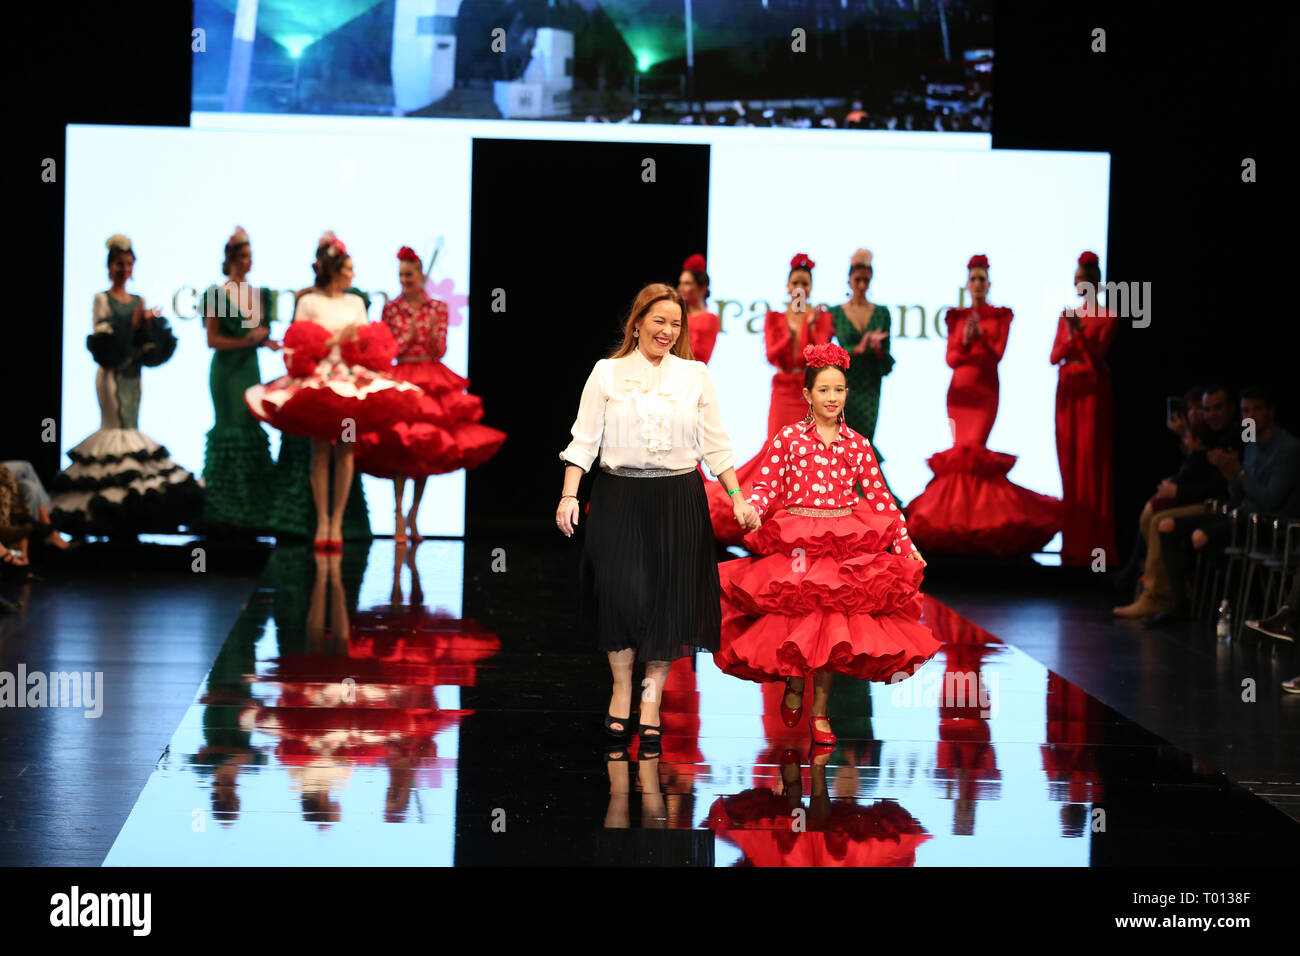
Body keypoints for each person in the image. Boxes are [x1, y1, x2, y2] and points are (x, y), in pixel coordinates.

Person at [555, 283, 756, 756]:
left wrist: (737, 497)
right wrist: (568, 495)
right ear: (639, 321)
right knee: (622, 595)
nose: (667, 331)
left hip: (677, 496)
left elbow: (716, 446)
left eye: (676, 324)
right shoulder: (606, 373)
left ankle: (651, 701)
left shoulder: (695, 375)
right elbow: (583, 441)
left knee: (668, 601)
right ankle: (622, 689)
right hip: (618, 495)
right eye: (659, 320)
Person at [714, 343, 939, 746]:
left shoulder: (858, 445)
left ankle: (820, 712)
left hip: (842, 545)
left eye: (839, 390)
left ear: (847, 393)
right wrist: (752, 509)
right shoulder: (789, 439)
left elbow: (883, 501)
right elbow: (765, 486)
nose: (832, 398)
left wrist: (905, 548)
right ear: (807, 395)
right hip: (797, 540)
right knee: (801, 621)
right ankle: (794, 683)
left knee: (833, 630)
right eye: (823, 390)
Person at [245, 234, 427, 550]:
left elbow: (371, 347)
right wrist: (335, 339)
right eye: (349, 268)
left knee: (345, 449)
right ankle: (323, 523)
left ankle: (338, 522)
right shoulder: (308, 302)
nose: (353, 274)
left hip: (350, 382)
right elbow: (296, 348)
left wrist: (356, 340)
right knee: (321, 451)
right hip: (320, 380)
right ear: (335, 269)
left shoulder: (356, 302)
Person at [904, 254, 1059, 556]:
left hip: (985, 391)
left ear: (989, 283)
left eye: (982, 279)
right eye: (973, 279)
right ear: (967, 283)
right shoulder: (956, 317)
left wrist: (980, 338)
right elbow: (951, 359)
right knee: (960, 454)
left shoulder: (999, 316)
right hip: (959, 392)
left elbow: (997, 354)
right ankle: (958, 526)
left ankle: (977, 526)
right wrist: (964, 338)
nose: (977, 284)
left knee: (975, 454)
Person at [48, 234, 203, 536]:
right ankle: (103, 510)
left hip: (134, 375)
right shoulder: (101, 298)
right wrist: (130, 324)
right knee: (115, 429)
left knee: (132, 429)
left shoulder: (138, 301)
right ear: (110, 266)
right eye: (120, 263)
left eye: (129, 264)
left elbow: (144, 343)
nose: (125, 269)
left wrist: (148, 328)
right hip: (110, 375)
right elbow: (102, 338)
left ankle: (132, 513)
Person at [356, 246, 506, 545]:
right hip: (402, 375)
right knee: (400, 444)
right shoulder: (392, 308)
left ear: (420, 274)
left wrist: (434, 337)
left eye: (409, 274)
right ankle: (398, 512)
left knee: (425, 448)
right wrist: (405, 337)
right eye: (400, 275)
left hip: (430, 376)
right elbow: (387, 349)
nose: (404, 280)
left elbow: (440, 350)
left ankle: (414, 512)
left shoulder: (438, 307)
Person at [703, 253, 835, 546]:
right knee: (777, 449)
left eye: (805, 283)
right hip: (783, 388)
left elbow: (818, 353)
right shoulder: (775, 318)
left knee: (810, 452)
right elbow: (774, 355)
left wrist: (807, 324)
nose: (800, 288)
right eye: (796, 282)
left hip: (809, 391)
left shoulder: (822, 317)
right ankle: (771, 515)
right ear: (788, 287)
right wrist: (793, 329)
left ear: (811, 288)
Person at [1152, 386, 1300, 625]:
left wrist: (1238, 472)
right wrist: (1231, 476)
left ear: (1270, 412)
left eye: (1256, 410)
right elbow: (1239, 495)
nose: (1250, 416)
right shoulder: (1250, 443)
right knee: (1168, 526)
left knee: (1202, 537)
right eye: (1245, 411)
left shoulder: (1288, 449)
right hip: (1242, 515)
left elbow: (1271, 501)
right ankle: (1180, 603)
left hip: (1269, 525)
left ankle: (1249, 602)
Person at [199, 226, 281, 533]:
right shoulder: (217, 294)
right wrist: (249, 340)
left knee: (250, 428)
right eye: (244, 255)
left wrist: (268, 343)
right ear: (232, 257)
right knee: (229, 430)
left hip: (250, 369)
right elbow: (213, 340)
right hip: (227, 370)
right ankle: (223, 508)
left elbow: (259, 336)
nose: (249, 261)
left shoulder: (260, 294)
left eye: (251, 256)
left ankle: (253, 508)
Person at [1051, 250, 1118, 566]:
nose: (1080, 283)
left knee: (1091, 465)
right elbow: (1054, 356)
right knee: (1069, 464)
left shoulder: (1108, 315)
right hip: (1068, 388)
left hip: (1092, 390)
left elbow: (1098, 355)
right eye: (1077, 279)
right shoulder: (1067, 314)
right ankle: (1072, 546)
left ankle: (1095, 550)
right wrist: (1070, 332)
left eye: (1085, 279)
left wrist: (1078, 332)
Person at [677, 254, 719, 365]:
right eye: (680, 283)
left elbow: (702, 357)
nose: (681, 288)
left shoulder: (709, 319)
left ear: (702, 288)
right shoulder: (678, 314)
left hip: (692, 373)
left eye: (687, 283)